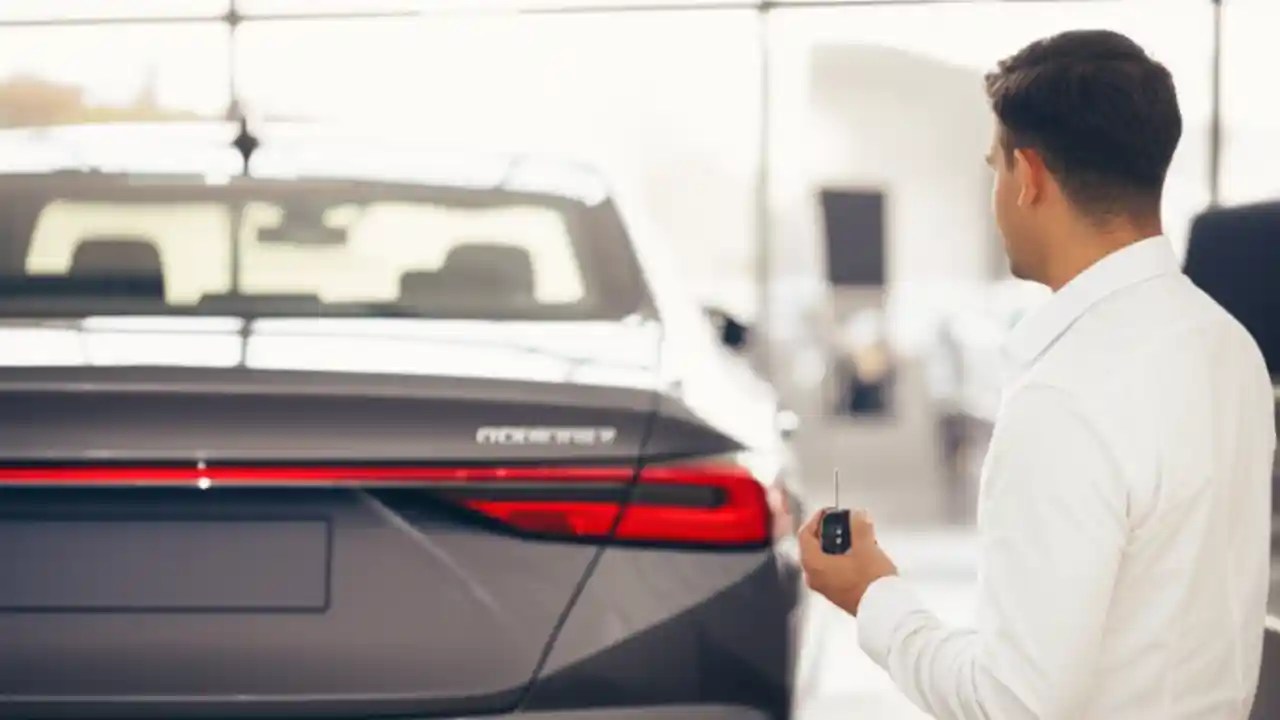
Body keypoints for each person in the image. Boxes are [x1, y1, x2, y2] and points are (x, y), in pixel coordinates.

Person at [798, 29, 1276, 720]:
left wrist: (872, 593)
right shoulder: (1233, 349)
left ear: (1030, 178)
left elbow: (1011, 704)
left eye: (995, 168)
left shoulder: (1065, 396)